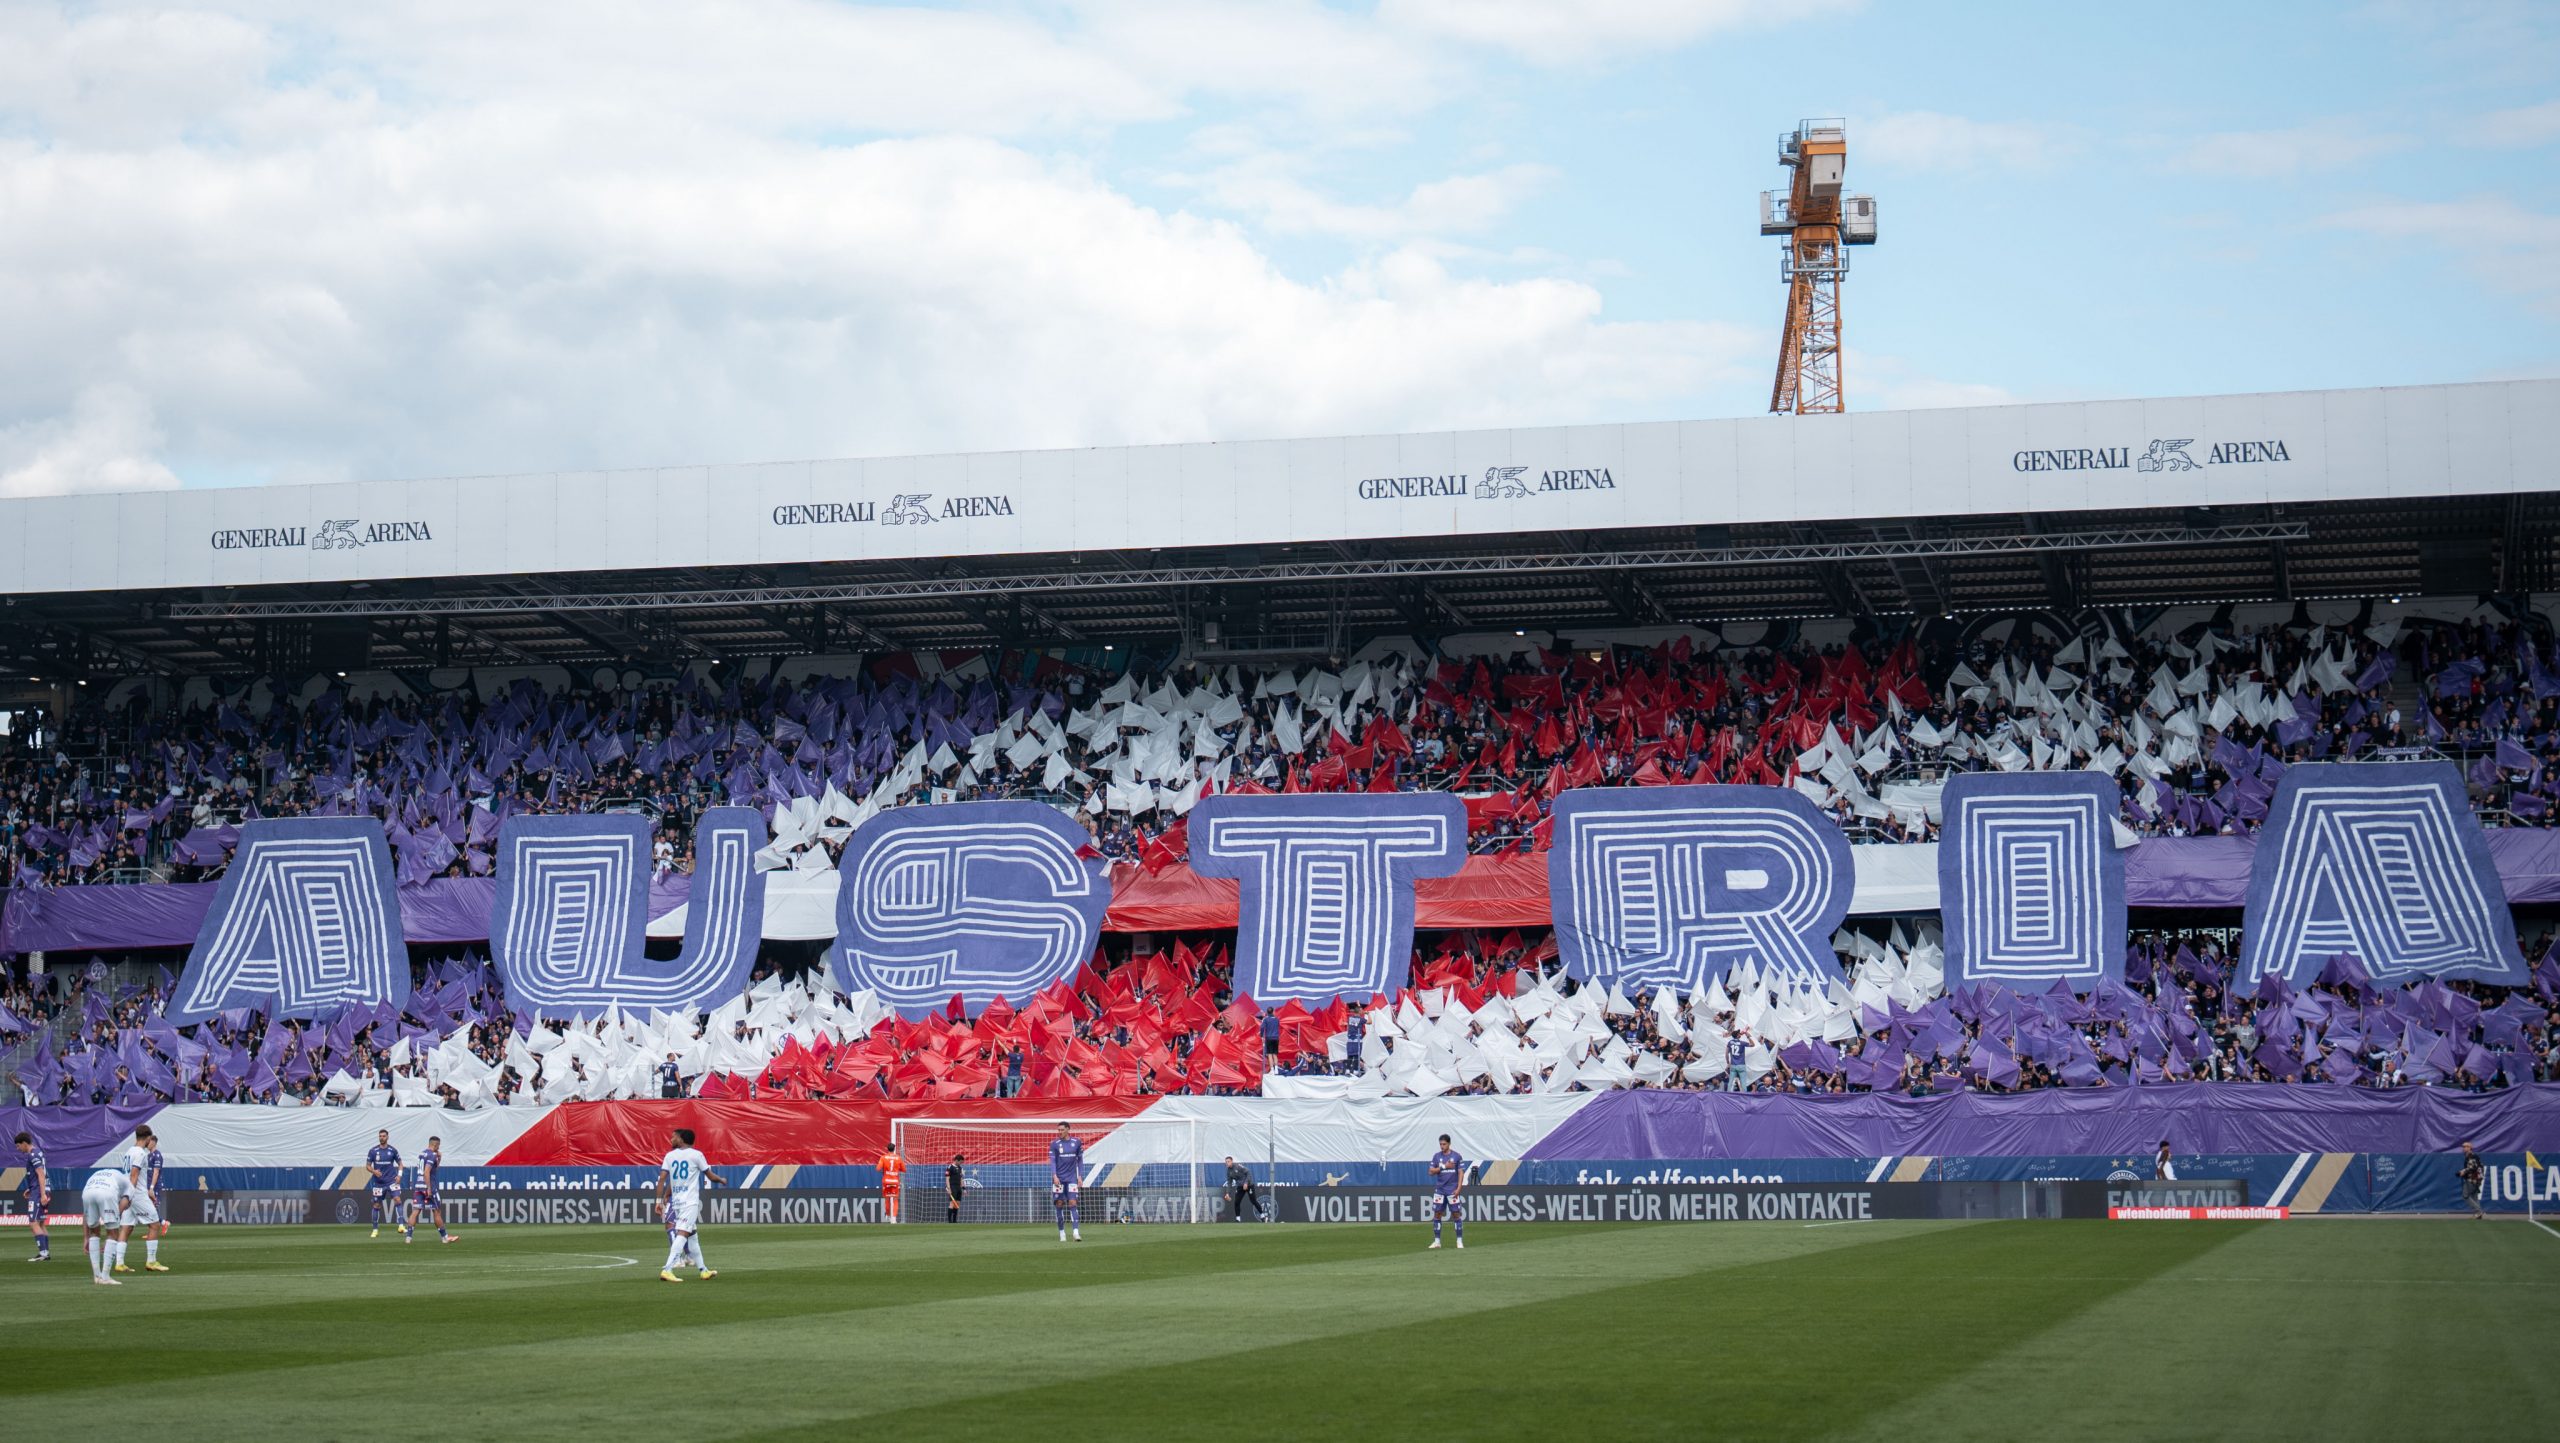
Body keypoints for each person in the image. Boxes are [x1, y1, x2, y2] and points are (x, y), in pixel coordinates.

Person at [657, 1127, 725, 1282]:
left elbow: (662, 1179)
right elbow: (709, 1175)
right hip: (690, 1202)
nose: (671, 1139)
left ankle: (703, 1270)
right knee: (683, 1234)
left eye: (674, 1137)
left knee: (693, 1236)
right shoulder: (696, 1155)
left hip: (677, 1202)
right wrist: (721, 1180)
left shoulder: (670, 1156)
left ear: (682, 1139)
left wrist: (659, 1200)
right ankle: (667, 1269)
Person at [79, 1152, 132, 1286]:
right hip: (106, 1193)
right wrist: (114, 1218)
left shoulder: (98, 1175)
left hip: (87, 1192)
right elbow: (124, 1204)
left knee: (94, 1233)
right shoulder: (129, 1185)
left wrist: (85, 1237)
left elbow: (85, 1214)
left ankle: (97, 1276)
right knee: (113, 1234)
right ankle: (106, 1277)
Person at [125, 1125, 169, 1273]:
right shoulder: (141, 1153)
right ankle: (151, 1261)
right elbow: (134, 1175)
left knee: (126, 1227)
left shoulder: (128, 1151)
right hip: (136, 1195)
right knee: (155, 1225)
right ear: (149, 1138)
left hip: (130, 1193)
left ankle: (119, 1262)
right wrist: (133, 1194)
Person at [404, 1134, 456, 1244]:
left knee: (415, 1211)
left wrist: (439, 1158)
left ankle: (408, 1238)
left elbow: (433, 1168)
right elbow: (427, 1171)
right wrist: (429, 1188)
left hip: (418, 1185)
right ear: (435, 1144)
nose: (439, 1148)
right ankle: (444, 1237)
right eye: (438, 1145)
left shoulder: (422, 1153)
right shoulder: (432, 1155)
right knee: (436, 1211)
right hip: (428, 1186)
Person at [1427, 1133, 1466, 1250]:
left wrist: (1459, 1188)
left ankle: (1459, 1241)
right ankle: (1437, 1242)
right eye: (1440, 1144)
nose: (1442, 1146)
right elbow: (1430, 1171)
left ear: (1449, 1144)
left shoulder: (1457, 1156)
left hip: (1452, 1190)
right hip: (1440, 1190)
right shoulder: (1436, 1156)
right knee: (1437, 1214)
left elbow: (1461, 1173)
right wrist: (1444, 1166)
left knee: (1456, 1214)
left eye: (1444, 1144)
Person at [15, 1131, 49, 1263]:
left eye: (18, 1146)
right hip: (39, 1189)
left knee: (33, 1222)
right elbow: (41, 1174)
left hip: (38, 1192)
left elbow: (40, 1174)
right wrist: (32, 1188)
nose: (18, 1149)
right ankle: (45, 1253)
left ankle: (43, 1253)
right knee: (40, 1223)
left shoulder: (32, 1155)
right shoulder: (38, 1152)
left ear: (24, 1143)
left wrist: (41, 1194)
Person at [363, 1128, 401, 1238]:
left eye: (384, 1136)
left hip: (391, 1181)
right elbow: (367, 1166)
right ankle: (375, 1229)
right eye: (380, 1136)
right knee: (376, 1205)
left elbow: (400, 1164)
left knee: (397, 1199)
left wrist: (399, 1175)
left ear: (387, 1137)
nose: (382, 1138)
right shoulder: (373, 1151)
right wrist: (374, 1171)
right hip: (378, 1183)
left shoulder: (393, 1150)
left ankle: (401, 1225)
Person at [1049, 1122, 1084, 1243]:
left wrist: (1080, 1176)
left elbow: (1080, 1160)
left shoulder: (1077, 1142)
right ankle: (1062, 1233)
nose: (1059, 1132)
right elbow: (1052, 1161)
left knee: (1073, 1203)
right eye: (1058, 1130)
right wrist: (1054, 1176)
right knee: (1059, 1203)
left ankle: (1076, 1233)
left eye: (1062, 1130)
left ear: (1068, 1129)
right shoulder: (1054, 1144)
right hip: (1059, 1179)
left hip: (1072, 1179)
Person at [1223, 1155, 1264, 1222]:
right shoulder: (1228, 1171)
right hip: (1240, 1186)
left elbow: (1248, 1172)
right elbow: (1229, 1183)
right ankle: (1238, 1219)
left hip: (1249, 1185)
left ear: (1232, 1161)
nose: (1227, 1163)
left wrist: (1246, 1183)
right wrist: (1227, 1193)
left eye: (1228, 1161)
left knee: (1253, 1200)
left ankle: (1262, 1215)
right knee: (1236, 1202)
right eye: (1226, 1162)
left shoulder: (1238, 1166)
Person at [878, 1142, 907, 1224]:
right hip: (895, 1181)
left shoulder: (883, 1157)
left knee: (887, 1199)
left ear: (887, 1149)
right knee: (895, 1200)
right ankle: (894, 1218)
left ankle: (887, 1215)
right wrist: (897, 1169)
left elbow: (878, 1168)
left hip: (886, 1181)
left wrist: (884, 1167)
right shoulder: (898, 1158)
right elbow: (904, 1169)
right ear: (894, 1149)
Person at [2459, 1141, 2486, 1220]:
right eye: (2463, 1147)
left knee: (2465, 1195)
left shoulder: (2471, 1156)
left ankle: (2479, 1211)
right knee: (2474, 1196)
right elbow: (2478, 1166)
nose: (2464, 1148)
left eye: (2466, 1146)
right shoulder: (2472, 1156)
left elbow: (2473, 1167)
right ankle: (2478, 1215)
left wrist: (2464, 1171)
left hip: (2472, 1179)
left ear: (2470, 1148)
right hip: (2477, 1178)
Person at [945, 1153, 966, 1224]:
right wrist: (949, 1188)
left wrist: (964, 1188)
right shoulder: (950, 1167)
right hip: (952, 1187)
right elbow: (947, 1179)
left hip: (958, 1188)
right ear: (956, 1160)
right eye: (960, 1162)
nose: (961, 1163)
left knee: (957, 1203)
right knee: (952, 1203)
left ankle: (954, 1221)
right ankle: (950, 1221)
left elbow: (961, 1179)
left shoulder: (960, 1168)